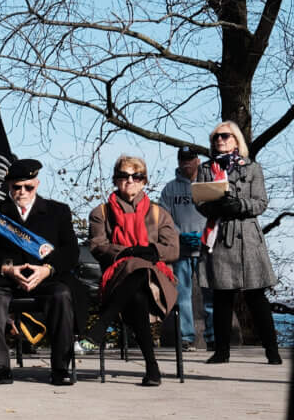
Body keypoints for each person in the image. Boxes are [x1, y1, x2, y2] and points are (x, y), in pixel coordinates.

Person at [0, 158, 84, 387]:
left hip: (46, 278)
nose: (22, 192)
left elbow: (71, 251)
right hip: (8, 279)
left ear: (37, 184)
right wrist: (7, 269)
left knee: (63, 295)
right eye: (16, 187)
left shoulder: (58, 211)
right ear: (8, 186)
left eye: (28, 187)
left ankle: (60, 368)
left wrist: (47, 270)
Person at [87, 153, 179, 387]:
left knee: (139, 271)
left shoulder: (159, 214)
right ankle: (151, 366)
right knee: (135, 276)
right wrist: (128, 253)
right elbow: (98, 246)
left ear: (144, 181)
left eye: (136, 176)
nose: (130, 181)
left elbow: (174, 249)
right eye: (124, 176)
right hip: (117, 280)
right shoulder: (102, 213)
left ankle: (102, 324)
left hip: (156, 283)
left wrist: (149, 250)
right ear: (115, 180)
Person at [195, 121, 281, 365]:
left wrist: (240, 205)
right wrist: (216, 206)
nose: (219, 140)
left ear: (236, 140)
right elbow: (199, 202)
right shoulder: (206, 169)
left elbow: (261, 202)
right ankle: (222, 351)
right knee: (222, 296)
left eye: (225, 136)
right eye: (215, 137)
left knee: (256, 296)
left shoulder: (252, 168)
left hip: (248, 237)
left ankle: (271, 350)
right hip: (221, 235)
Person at [155, 146, 207, 348]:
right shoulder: (170, 189)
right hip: (181, 250)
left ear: (197, 160)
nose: (186, 162)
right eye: (182, 159)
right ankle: (186, 338)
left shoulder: (208, 185)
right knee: (182, 294)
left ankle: (213, 337)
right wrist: (178, 234)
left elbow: (218, 214)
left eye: (190, 158)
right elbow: (163, 217)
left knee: (210, 294)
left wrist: (206, 234)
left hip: (206, 248)